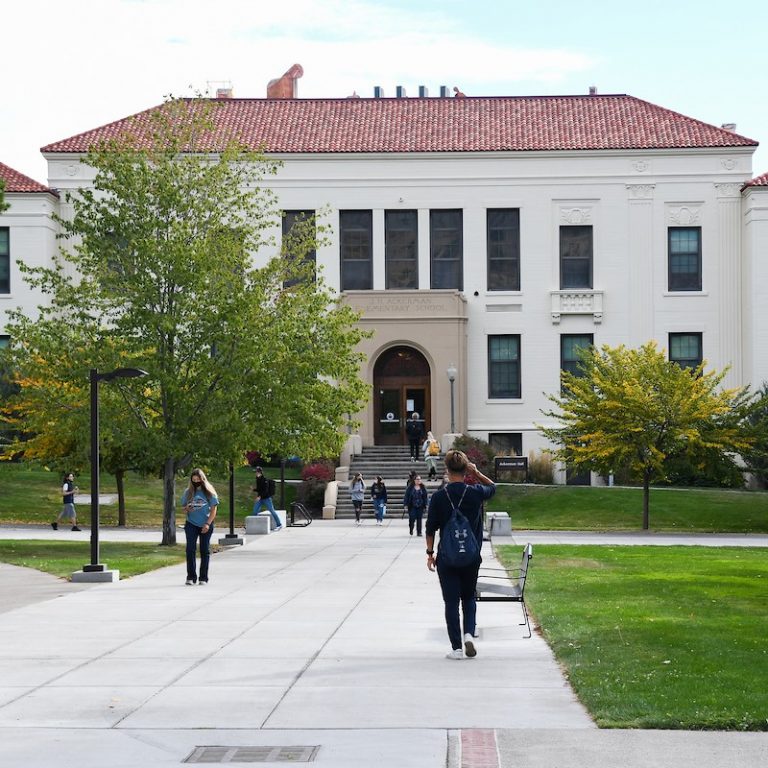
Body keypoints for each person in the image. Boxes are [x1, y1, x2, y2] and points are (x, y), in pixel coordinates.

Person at [425, 449, 496, 659]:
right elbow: (493, 487)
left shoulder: (439, 497)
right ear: (466, 470)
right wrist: (477, 473)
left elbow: (430, 528)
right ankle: (468, 635)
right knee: (468, 598)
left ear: (446, 470)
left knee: (451, 603)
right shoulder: (475, 493)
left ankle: (456, 648)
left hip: (447, 558)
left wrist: (430, 554)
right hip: (471, 557)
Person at [180, 468, 218, 585]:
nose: (196, 482)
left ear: (202, 479)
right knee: (190, 550)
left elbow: (213, 510)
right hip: (191, 523)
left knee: (204, 550)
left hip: (206, 524)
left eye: (198, 479)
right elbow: (183, 508)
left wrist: (207, 524)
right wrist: (187, 508)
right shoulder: (188, 492)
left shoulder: (209, 493)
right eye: (194, 480)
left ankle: (203, 578)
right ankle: (191, 577)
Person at [252, 466, 282, 531]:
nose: (256, 473)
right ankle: (253, 526)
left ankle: (279, 524)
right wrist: (254, 489)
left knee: (272, 511)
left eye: (256, 472)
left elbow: (265, 490)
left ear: (260, 472)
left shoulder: (264, 480)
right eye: (255, 472)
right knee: (255, 511)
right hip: (260, 498)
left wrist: (259, 497)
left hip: (266, 498)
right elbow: (260, 489)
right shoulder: (258, 479)